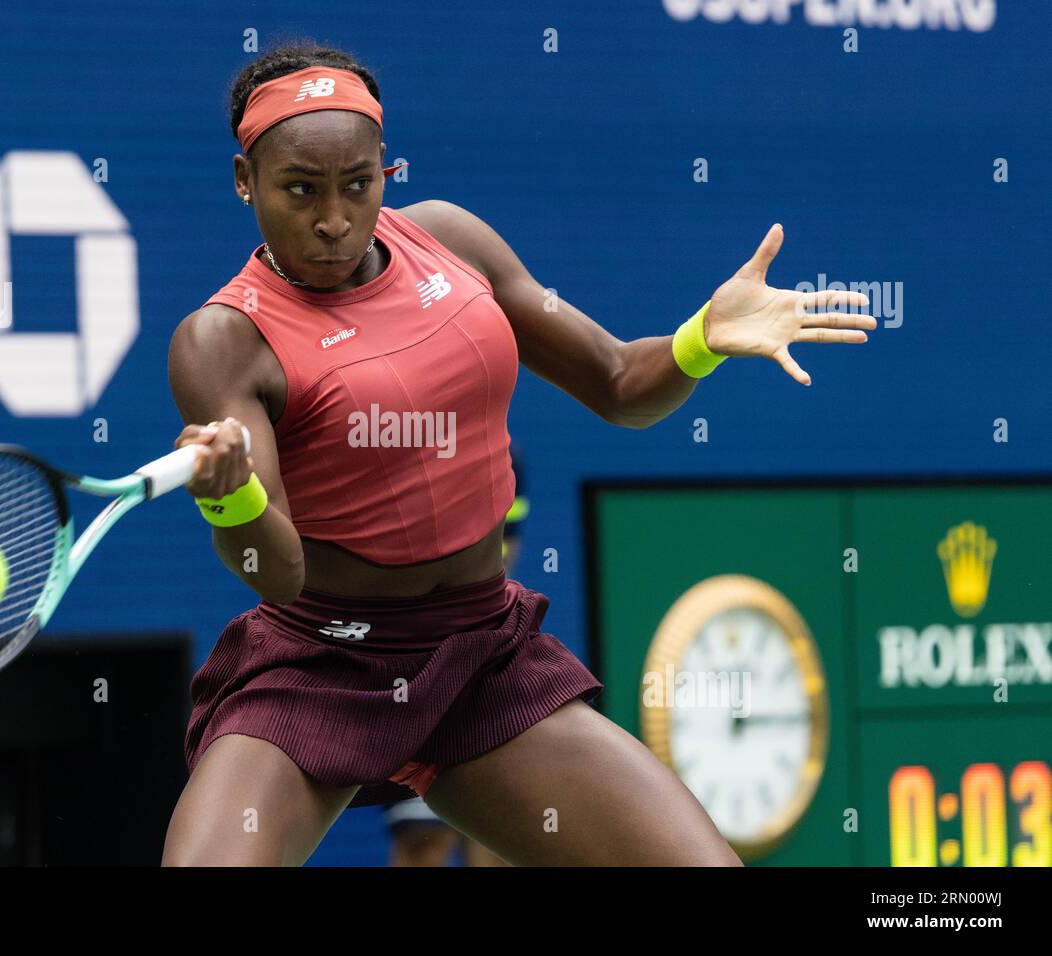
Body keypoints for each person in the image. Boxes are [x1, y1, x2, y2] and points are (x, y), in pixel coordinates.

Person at [160, 42, 873, 867]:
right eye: (299, 189)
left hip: (480, 653)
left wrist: (701, 339)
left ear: (388, 170)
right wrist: (230, 495)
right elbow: (275, 570)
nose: (332, 219)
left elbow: (616, 382)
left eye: (359, 184)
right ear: (245, 179)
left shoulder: (450, 242)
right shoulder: (222, 340)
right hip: (323, 659)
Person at [381, 442, 527, 867]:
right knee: (422, 837)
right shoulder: (388, 449)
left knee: (496, 834)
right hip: (406, 667)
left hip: (481, 660)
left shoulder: (506, 458)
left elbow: (504, 554)